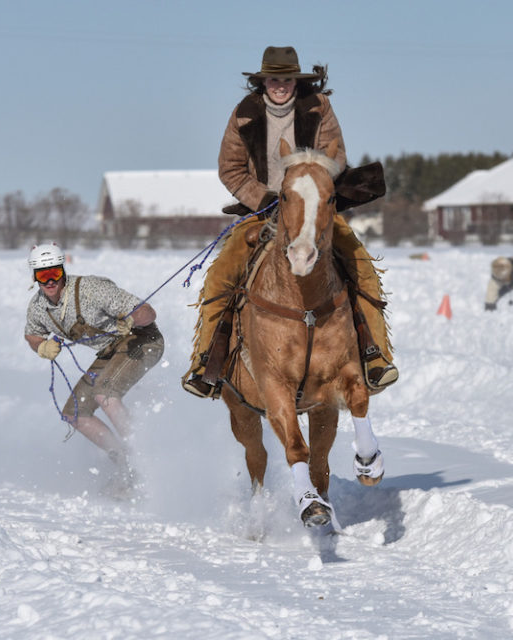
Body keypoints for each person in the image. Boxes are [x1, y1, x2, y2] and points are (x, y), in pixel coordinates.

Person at [181, 45, 395, 398]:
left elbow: (337, 155)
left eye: (286, 80)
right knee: (221, 276)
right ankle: (208, 363)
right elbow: (230, 169)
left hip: (312, 208)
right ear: (263, 81)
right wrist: (265, 199)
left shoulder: (318, 106)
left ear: (297, 81)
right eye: (273, 80)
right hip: (262, 211)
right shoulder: (244, 114)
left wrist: (307, 186)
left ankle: (375, 356)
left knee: (361, 265)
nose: (280, 86)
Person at [24, 242, 163, 475]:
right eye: (43, 275)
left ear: (63, 271)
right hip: (109, 352)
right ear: (34, 277)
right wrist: (41, 347)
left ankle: (147, 461)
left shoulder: (91, 289)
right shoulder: (39, 307)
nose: (49, 282)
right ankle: (126, 466)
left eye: (54, 273)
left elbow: (148, 312)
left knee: (104, 394)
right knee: (74, 413)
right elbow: (32, 334)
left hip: (142, 340)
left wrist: (131, 318)